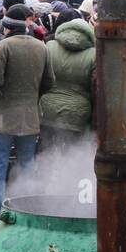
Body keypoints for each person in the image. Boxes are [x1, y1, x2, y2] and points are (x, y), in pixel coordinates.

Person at [0, 4, 53, 215]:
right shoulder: (41, 47)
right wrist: (33, 95)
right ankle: (27, 208)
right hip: (29, 118)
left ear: (6, 27)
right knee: (27, 165)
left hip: (3, 118)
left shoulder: (4, 47)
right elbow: (49, 81)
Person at [40, 17, 96, 153]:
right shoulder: (94, 54)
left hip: (47, 110)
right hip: (77, 114)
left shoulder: (49, 46)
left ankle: (43, 174)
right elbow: (96, 89)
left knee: (45, 152)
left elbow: (40, 78)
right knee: (72, 154)